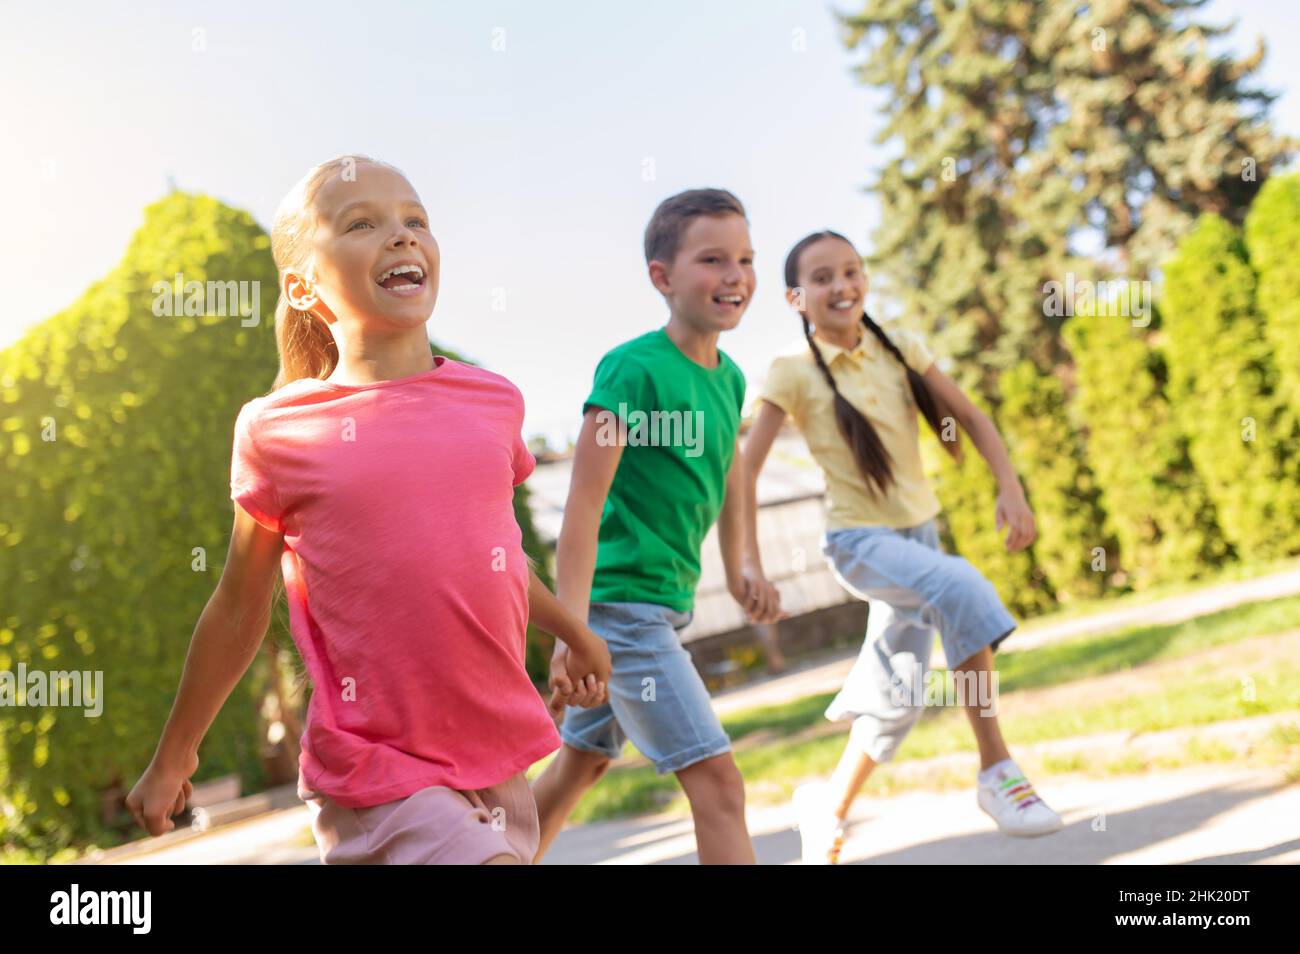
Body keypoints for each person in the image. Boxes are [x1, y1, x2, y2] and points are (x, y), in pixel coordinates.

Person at [126, 154, 611, 865]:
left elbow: (493, 557)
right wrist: (175, 757)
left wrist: (572, 628)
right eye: (362, 224)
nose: (402, 236)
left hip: (490, 752)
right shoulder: (276, 431)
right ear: (304, 286)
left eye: (416, 220)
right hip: (373, 769)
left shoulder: (493, 401)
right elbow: (237, 607)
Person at [742, 230, 1063, 864]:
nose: (843, 286)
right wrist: (749, 563)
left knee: (901, 691)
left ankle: (826, 810)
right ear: (795, 297)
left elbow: (971, 418)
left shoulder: (900, 349)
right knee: (963, 587)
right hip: (858, 542)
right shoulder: (791, 371)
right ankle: (997, 770)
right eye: (824, 277)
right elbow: (744, 471)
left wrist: (1011, 490)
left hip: (919, 533)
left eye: (852, 272)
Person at [530, 189, 781, 864]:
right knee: (719, 784)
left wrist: (742, 566)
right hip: (620, 612)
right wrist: (571, 630)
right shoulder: (632, 370)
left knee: (581, 764)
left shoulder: (729, 380)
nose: (735, 275)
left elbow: (732, 478)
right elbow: (583, 505)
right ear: (662, 278)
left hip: (658, 609)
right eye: (712, 259)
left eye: (746, 259)